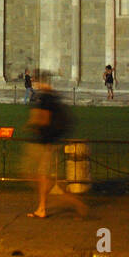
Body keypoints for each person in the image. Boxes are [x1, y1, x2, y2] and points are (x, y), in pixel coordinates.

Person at [26, 79, 85, 219]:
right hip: (47, 142)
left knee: (41, 177)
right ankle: (42, 207)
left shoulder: (45, 98)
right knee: (41, 177)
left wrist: (33, 123)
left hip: (45, 143)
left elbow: (44, 120)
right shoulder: (51, 96)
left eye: (35, 80)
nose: (34, 83)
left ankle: (75, 203)